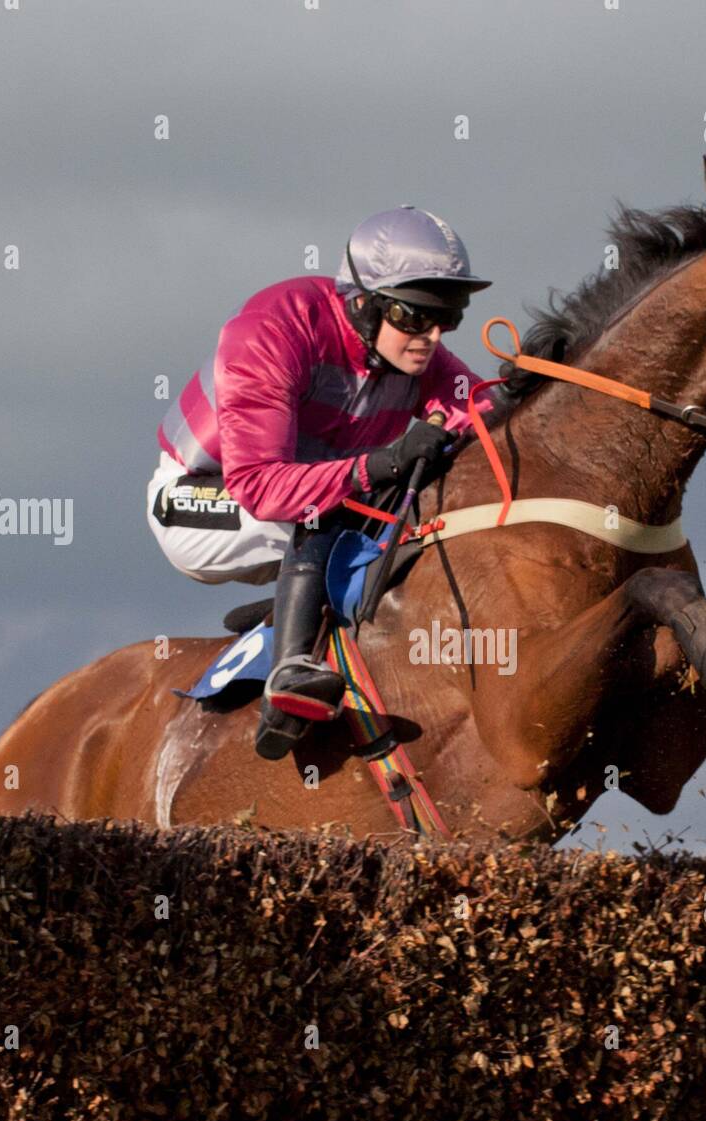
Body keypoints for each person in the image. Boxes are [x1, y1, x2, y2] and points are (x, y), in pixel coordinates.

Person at [145, 205, 494, 759]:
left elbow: (482, 413)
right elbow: (261, 486)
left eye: (448, 317)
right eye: (413, 316)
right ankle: (288, 677)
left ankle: (290, 605)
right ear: (364, 301)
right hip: (201, 496)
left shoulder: (408, 345)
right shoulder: (272, 332)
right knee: (330, 504)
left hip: (298, 503)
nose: (430, 337)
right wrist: (376, 465)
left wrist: (535, 386)